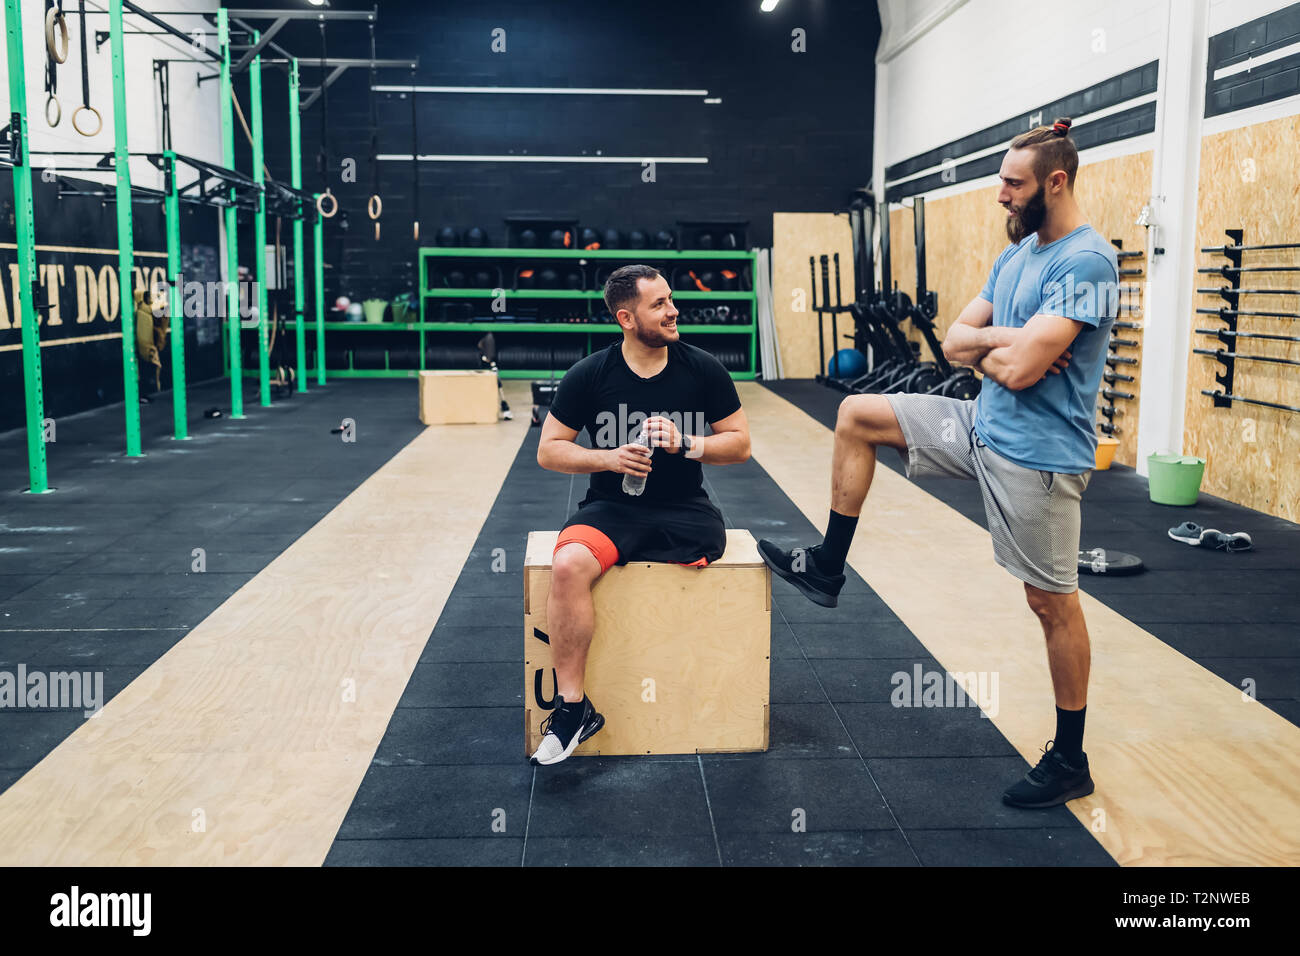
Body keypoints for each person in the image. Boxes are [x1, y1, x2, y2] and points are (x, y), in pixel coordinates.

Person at [760, 117, 1119, 808]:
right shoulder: (1017, 258)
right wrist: (1009, 339)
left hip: (1039, 457)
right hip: (979, 425)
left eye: (1012, 186)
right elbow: (955, 345)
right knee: (857, 415)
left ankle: (1070, 758)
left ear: (1056, 181)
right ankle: (827, 566)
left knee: (1050, 603)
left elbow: (1016, 372)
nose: (1001, 198)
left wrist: (1000, 349)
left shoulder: (1088, 262)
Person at [533, 264, 750, 765]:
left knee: (698, 551)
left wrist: (688, 442)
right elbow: (549, 451)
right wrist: (606, 458)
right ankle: (573, 709)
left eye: (671, 300)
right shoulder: (590, 374)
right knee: (567, 565)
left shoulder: (702, 368)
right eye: (660, 305)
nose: (674, 311)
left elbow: (740, 445)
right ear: (626, 318)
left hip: (686, 511)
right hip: (613, 508)